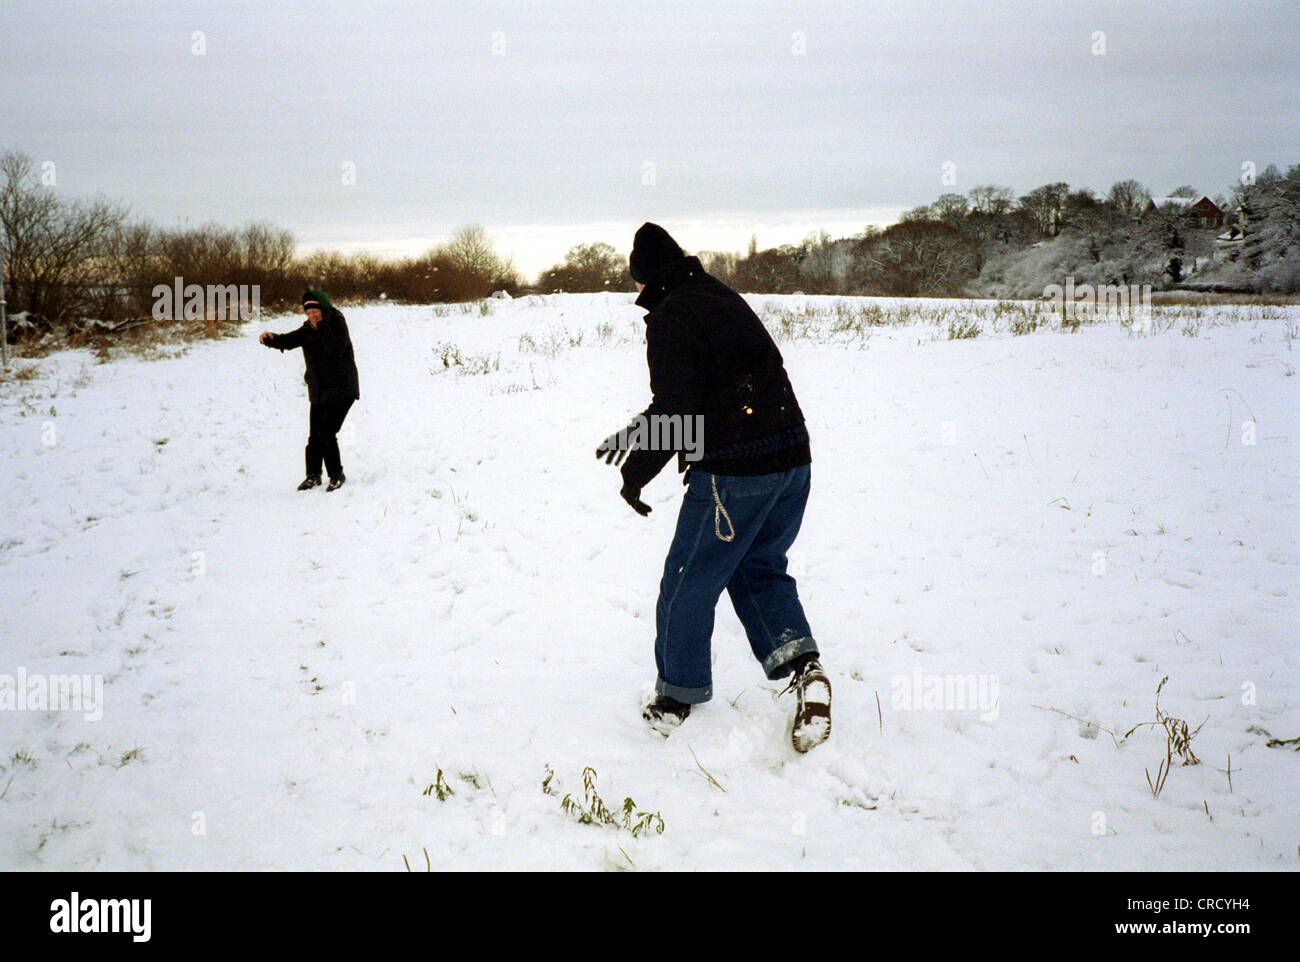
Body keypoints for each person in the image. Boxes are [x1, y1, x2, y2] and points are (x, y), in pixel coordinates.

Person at [598, 223, 831, 752]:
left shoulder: (670, 317)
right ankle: (805, 670)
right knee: (757, 568)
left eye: (634, 283)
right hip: (793, 459)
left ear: (646, 278)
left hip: (738, 472)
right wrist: (640, 433)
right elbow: (710, 391)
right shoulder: (719, 296)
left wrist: (636, 473)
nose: (634, 293)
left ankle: (673, 698)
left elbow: (680, 410)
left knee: (688, 580)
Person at [259, 288, 360, 491]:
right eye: (308, 312)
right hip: (320, 390)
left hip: (342, 389)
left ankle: (336, 474)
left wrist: (321, 326)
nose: (312, 315)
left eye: (315, 311)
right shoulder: (308, 328)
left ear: (323, 308)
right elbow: (290, 340)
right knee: (315, 435)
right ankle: (313, 475)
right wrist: (272, 339)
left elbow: (335, 349)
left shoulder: (336, 322)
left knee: (326, 431)